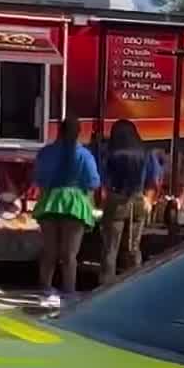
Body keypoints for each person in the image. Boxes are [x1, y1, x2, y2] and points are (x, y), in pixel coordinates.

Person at [33, 114, 100, 303]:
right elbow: (93, 182)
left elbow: (38, 178)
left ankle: (45, 289)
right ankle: (69, 291)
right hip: (75, 204)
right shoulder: (84, 155)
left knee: (49, 251)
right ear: (79, 133)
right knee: (70, 254)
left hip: (50, 201)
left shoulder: (46, 152)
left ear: (59, 131)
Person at [99, 119, 149, 281]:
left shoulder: (109, 152)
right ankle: (136, 283)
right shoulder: (143, 152)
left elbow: (102, 178)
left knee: (110, 248)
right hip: (138, 199)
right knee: (133, 247)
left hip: (117, 199)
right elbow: (152, 177)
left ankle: (106, 286)